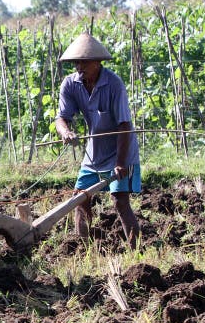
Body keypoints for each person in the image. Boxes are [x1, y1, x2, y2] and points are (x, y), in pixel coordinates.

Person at [54, 33, 141, 247]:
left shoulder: (114, 84)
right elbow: (61, 118)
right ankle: (83, 249)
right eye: (76, 63)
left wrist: (120, 162)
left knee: (120, 201)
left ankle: (136, 250)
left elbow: (124, 125)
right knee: (80, 199)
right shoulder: (70, 84)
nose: (79, 67)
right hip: (94, 153)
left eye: (84, 62)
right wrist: (66, 132)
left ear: (97, 62)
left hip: (121, 150)